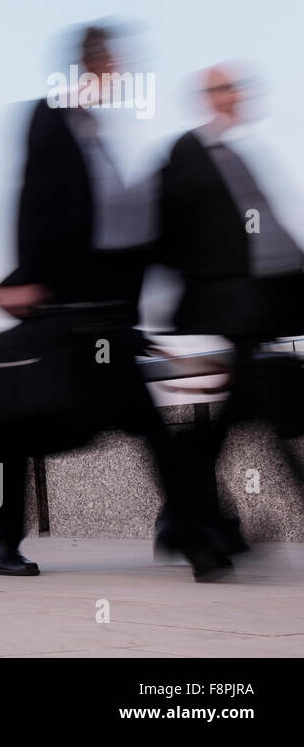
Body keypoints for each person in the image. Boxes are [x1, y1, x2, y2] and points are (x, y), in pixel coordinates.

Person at [0, 25, 231, 581]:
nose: (120, 73)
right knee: (19, 430)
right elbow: (30, 202)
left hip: (105, 318)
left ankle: (195, 539)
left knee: (150, 429)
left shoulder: (101, 135)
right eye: (113, 63)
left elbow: (119, 231)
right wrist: (21, 280)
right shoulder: (47, 118)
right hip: (57, 309)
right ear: (90, 65)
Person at [155, 64, 304, 558]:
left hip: (260, 305)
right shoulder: (190, 152)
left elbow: (269, 232)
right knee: (266, 408)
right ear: (208, 97)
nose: (236, 96)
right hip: (231, 306)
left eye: (237, 87)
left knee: (243, 411)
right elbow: (170, 227)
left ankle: (181, 516)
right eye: (225, 89)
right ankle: (186, 515)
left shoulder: (235, 153)